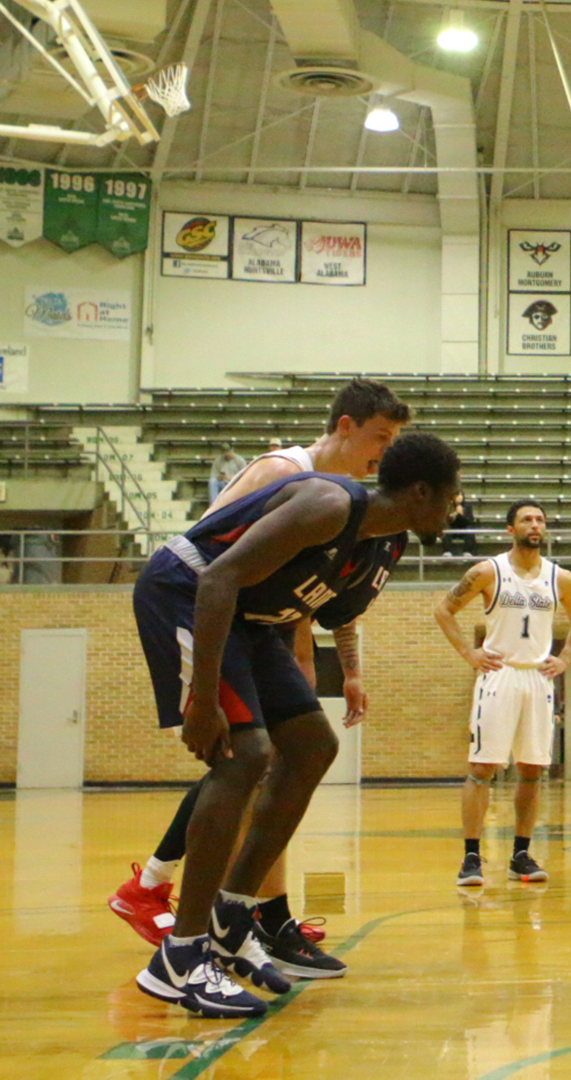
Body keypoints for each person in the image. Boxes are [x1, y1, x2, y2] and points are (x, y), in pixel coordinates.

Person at [132, 433, 460, 1017]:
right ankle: (178, 957)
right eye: (451, 497)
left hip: (252, 622)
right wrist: (204, 699)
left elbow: (328, 614)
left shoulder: (386, 545)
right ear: (420, 492)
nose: (456, 509)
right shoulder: (329, 505)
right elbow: (217, 580)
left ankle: (231, 917)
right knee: (246, 756)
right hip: (186, 594)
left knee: (312, 744)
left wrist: (336, 673)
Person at [110, 378, 412, 976]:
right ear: (345, 427)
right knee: (248, 759)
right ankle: (168, 893)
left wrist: (345, 669)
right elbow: (216, 568)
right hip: (216, 614)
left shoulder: (355, 507)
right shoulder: (284, 472)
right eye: (379, 437)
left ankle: (252, 915)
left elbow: (322, 597)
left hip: (269, 631)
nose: (384, 454)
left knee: (289, 757)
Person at [436, 499, 571, 886]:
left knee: (532, 771)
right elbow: (444, 609)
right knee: (481, 768)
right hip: (499, 675)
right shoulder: (488, 571)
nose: (535, 525)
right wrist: (468, 653)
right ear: (511, 529)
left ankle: (520, 853)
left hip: (537, 679)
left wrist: (565, 659)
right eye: (526, 519)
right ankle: (471, 857)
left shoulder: (561, 578)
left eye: (540, 519)